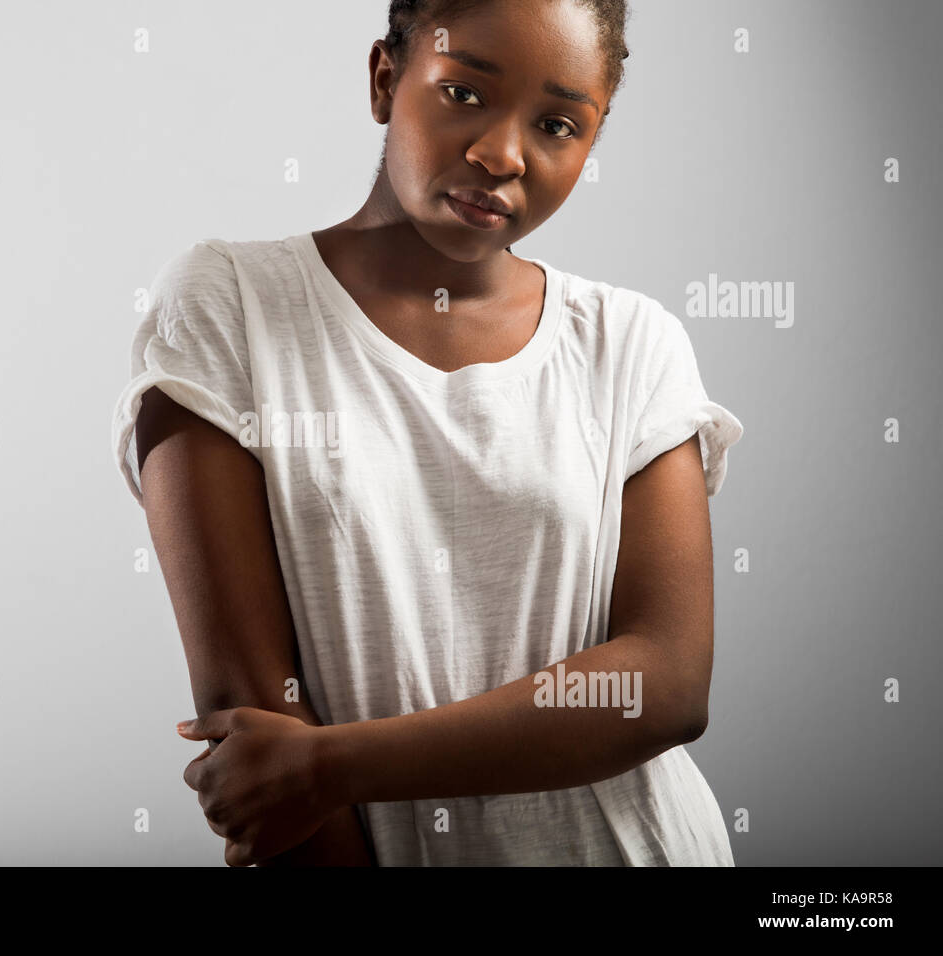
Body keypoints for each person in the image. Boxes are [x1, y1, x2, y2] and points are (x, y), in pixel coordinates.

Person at [110, 0, 743, 866]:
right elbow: (252, 716)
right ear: (384, 79)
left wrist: (329, 765)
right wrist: (302, 776)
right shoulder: (232, 306)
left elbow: (665, 686)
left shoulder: (631, 342)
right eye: (464, 93)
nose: (502, 153)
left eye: (557, 124)